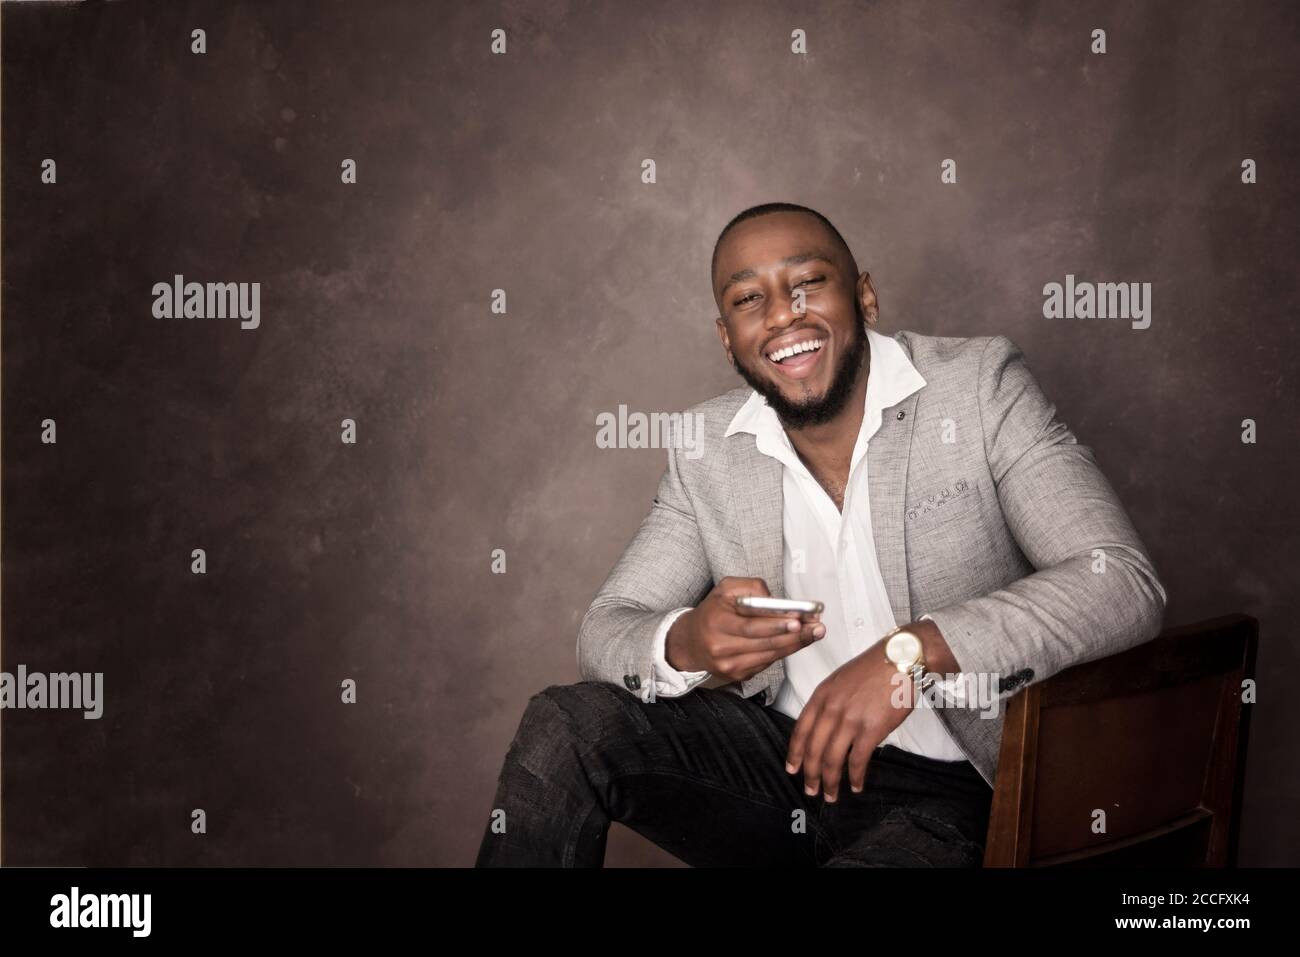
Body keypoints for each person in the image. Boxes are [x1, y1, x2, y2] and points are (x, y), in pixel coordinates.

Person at [475, 202, 1167, 867]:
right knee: (571, 724)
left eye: (808, 282)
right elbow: (605, 628)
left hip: (967, 793)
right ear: (727, 337)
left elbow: (1121, 582)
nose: (783, 314)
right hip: (781, 777)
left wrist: (911, 650)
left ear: (864, 296)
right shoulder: (707, 447)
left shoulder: (979, 388)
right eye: (749, 300)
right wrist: (686, 642)